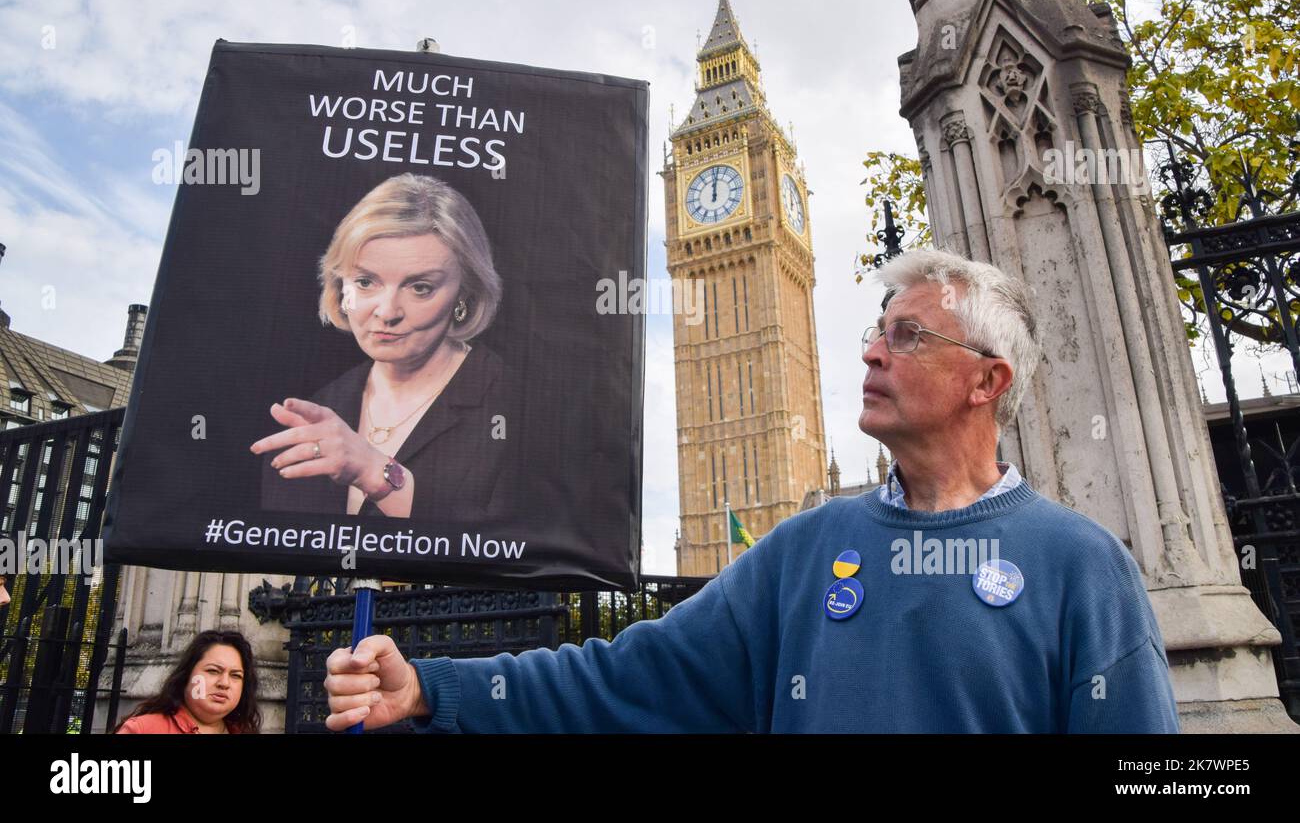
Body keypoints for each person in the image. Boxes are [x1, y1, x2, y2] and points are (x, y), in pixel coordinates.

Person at [322, 247, 1180, 733]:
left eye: (908, 337)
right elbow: (626, 676)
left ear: (985, 382)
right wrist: (433, 689)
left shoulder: (1081, 565)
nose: (872, 354)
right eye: (875, 333)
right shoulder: (807, 550)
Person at [251, 173, 515, 524]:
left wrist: (380, 477)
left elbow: (525, 546)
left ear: (464, 296)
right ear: (340, 287)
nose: (387, 312)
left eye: (420, 287)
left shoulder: (521, 406)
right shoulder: (312, 416)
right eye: (365, 282)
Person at [114, 629, 260, 734]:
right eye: (213, 671)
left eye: (236, 675)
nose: (224, 683)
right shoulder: (142, 730)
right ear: (187, 676)